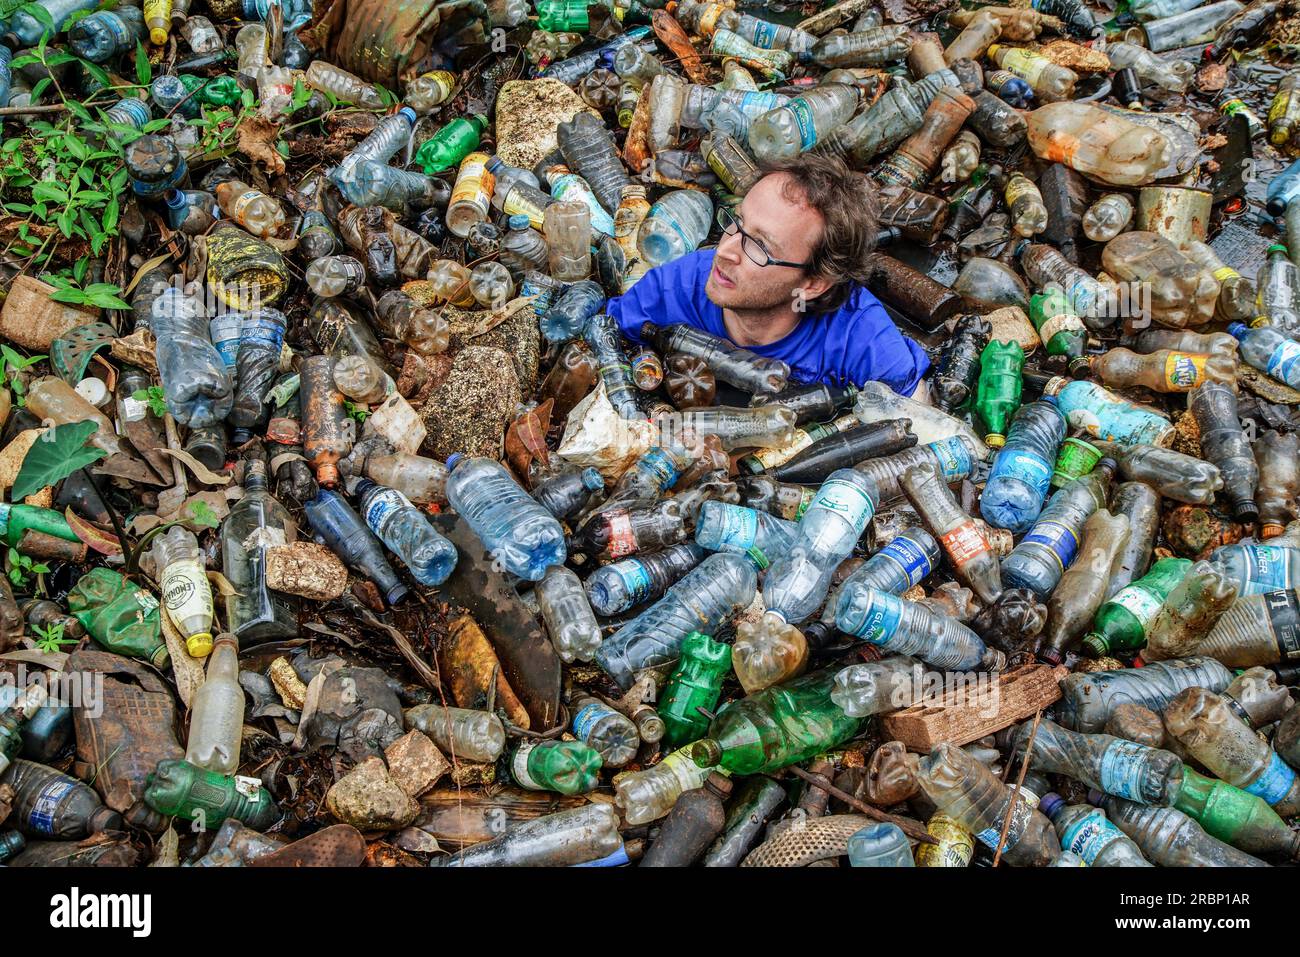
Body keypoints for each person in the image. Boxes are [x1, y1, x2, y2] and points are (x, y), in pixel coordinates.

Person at [607, 151, 931, 398]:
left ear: (813, 283)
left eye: (759, 246)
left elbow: (919, 421)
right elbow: (606, 341)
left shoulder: (862, 339)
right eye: (736, 222)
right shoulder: (675, 290)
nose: (724, 251)